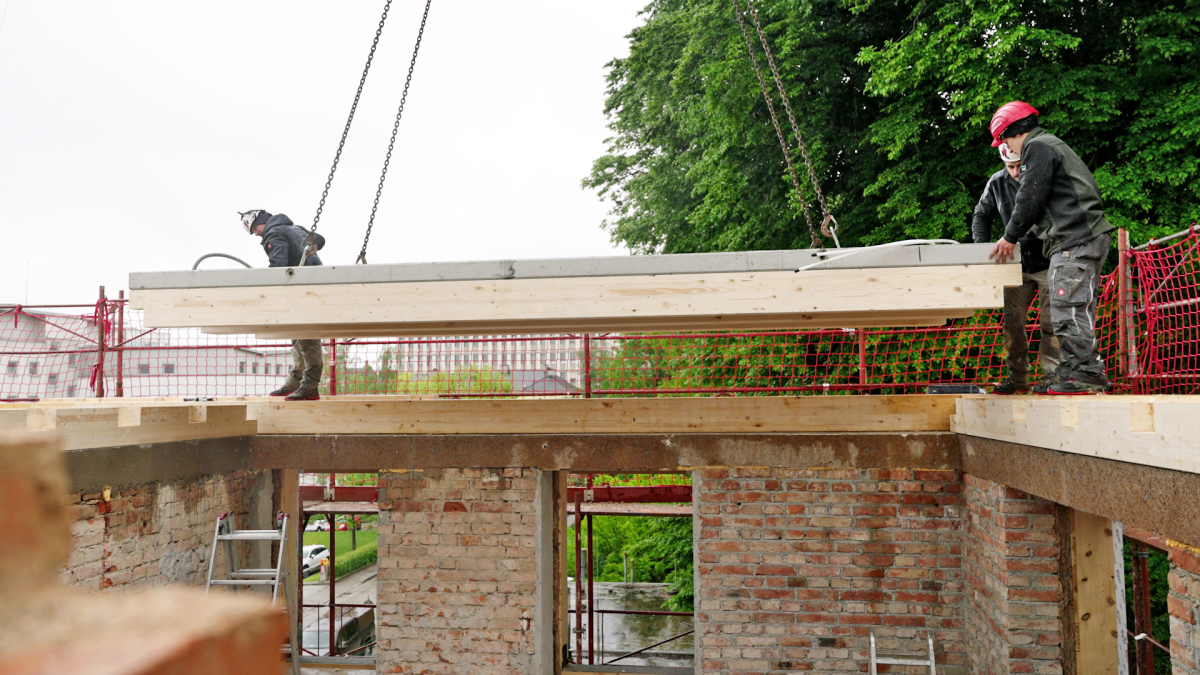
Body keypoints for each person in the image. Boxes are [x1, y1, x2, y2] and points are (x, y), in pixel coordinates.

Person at [987, 101, 1115, 394]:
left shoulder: (1038, 147)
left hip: (1075, 239)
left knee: (1068, 308)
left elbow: (1029, 198)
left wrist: (1009, 236)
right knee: (1067, 308)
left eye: (1005, 138)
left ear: (1015, 130)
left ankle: (1087, 375)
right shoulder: (1048, 146)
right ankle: (1070, 373)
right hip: (1077, 238)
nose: (1007, 145)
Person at [973, 143, 1060, 394]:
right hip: (1013, 263)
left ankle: (1053, 379)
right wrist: (982, 250)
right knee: (1012, 323)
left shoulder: (1043, 177)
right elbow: (981, 215)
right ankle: (1018, 377)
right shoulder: (997, 183)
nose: (1015, 173)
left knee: (1051, 322)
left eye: (1018, 166)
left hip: (1048, 260)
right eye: (1009, 167)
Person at [240, 209, 326, 401]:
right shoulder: (295, 228)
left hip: (301, 290)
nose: (255, 233)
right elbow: (319, 239)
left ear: (261, 221)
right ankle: (296, 382)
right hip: (311, 286)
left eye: (254, 228)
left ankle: (309, 386)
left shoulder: (274, 233)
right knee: (297, 335)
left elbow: (279, 266)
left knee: (306, 336)